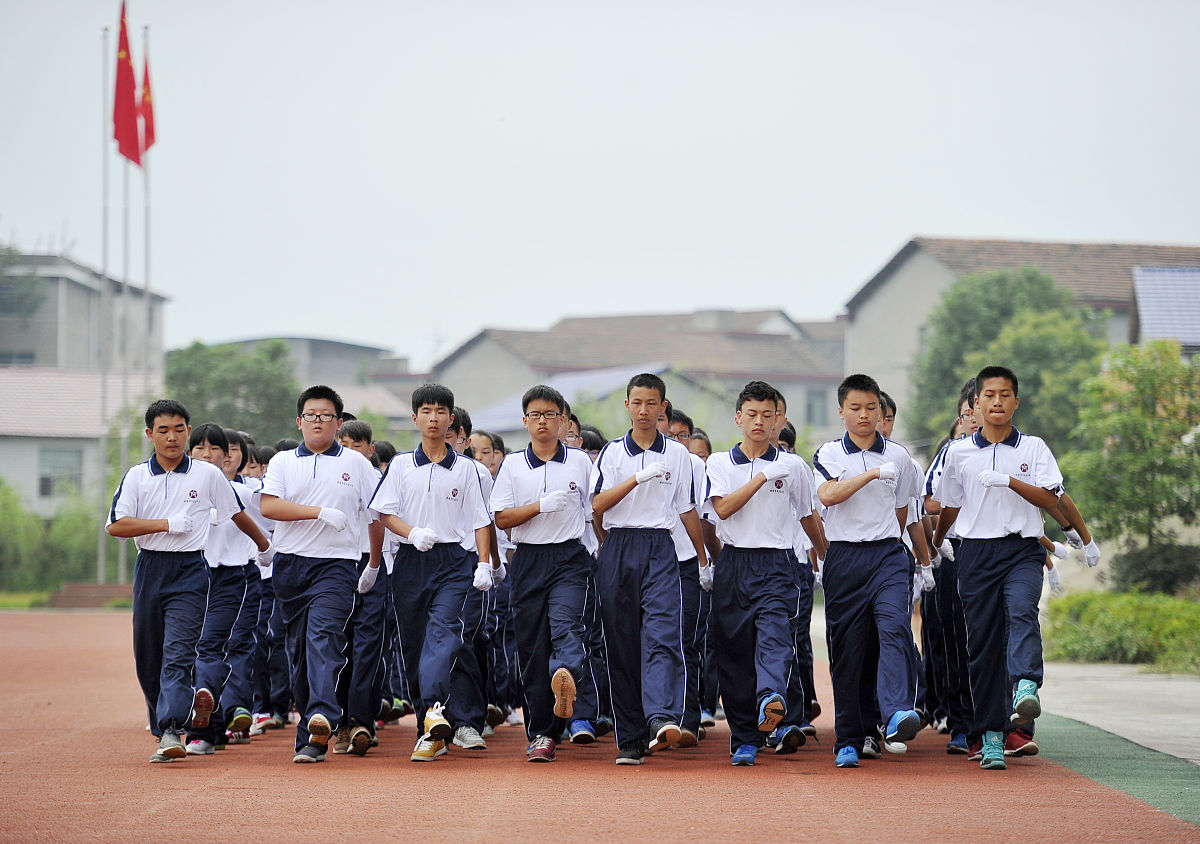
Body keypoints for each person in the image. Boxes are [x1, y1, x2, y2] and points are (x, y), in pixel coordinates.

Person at [931, 365, 1086, 771]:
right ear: (976, 403)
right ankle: (992, 736)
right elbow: (949, 504)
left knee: (1021, 612)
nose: (997, 402)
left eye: (1005, 395)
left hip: (1021, 550)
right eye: (989, 396)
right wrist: (936, 541)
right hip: (975, 554)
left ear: (1016, 401)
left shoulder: (1033, 448)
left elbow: (1051, 497)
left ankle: (1026, 686)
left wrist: (1009, 481)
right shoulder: (957, 452)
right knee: (981, 647)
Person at [107, 399, 265, 763]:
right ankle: (174, 711)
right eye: (163, 430)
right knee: (148, 657)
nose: (172, 437)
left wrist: (264, 545)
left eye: (179, 429)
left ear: (187, 431)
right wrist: (164, 524)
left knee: (178, 654)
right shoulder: (137, 476)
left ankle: (172, 727)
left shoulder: (207, 475)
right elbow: (117, 524)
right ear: (150, 434)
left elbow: (236, 514)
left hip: (191, 572)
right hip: (150, 568)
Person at [368, 384, 496, 762]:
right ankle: (430, 723)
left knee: (442, 637)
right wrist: (412, 532)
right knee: (413, 643)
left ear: (451, 419)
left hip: (453, 563)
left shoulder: (468, 469)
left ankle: (436, 711)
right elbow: (384, 512)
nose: (434, 418)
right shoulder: (401, 466)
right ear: (415, 418)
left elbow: (480, 519)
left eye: (441, 411)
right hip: (411, 561)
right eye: (426, 411)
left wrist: (485, 563)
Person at [259, 385, 384, 763]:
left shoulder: (357, 464)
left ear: (338, 422)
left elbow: (378, 514)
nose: (318, 421)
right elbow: (269, 506)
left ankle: (320, 721)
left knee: (323, 639)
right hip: (292, 564)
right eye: (311, 415)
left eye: (326, 415)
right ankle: (309, 729)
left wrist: (374, 564)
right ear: (299, 422)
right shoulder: (282, 461)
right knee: (297, 650)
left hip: (337, 565)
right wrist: (316, 512)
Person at [589, 373, 708, 765]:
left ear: (662, 408)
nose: (643, 410)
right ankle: (630, 739)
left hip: (660, 547)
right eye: (637, 402)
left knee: (662, 633)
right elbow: (597, 506)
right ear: (627, 405)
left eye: (651, 404)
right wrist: (635, 480)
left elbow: (687, 508)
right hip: (619, 545)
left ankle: (661, 716)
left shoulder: (677, 455)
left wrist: (703, 557)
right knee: (621, 644)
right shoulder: (611, 453)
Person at [813, 374, 930, 769]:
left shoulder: (900, 456)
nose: (864, 415)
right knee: (848, 651)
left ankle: (897, 711)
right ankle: (848, 737)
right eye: (856, 408)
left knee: (895, 626)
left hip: (887, 556)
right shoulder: (829, 453)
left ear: (882, 411)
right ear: (842, 411)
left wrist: (904, 551)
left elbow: (902, 511)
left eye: (872, 408)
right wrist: (870, 475)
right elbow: (828, 494)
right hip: (844, 557)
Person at [706, 381, 826, 766]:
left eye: (767, 415)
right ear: (739, 417)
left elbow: (808, 515)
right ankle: (744, 737)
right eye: (752, 414)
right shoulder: (719, 463)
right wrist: (761, 477)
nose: (759, 422)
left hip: (778, 565)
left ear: (779, 419)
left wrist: (826, 559)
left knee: (776, 636)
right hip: (734, 562)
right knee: (734, 653)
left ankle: (770, 698)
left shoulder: (793, 466)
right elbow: (722, 510)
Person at [491, 385, 595, 762]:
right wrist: (538, 506)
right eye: (535, 415)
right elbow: (501, 518)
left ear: (563, 420)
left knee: (566, 626)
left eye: (550, 414)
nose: (543, 421)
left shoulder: (581, 462)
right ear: (525, 421)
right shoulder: (514, 465)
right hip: (529, 558)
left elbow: (594, 509)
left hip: (569, 557)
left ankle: (565, 673)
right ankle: (542, 734)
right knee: (532, 648)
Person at [185, 425, 272, 755]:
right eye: (199, 449)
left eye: (218, 449)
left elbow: (277, 519)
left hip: (237, 578)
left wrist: (267, 550)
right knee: (191, 650)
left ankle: (214, 720)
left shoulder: (248, 494)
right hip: (190, 576)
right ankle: (215, 723)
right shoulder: (181, 487)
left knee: (223, 646)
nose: (208, 455)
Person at [331, 419, 388, 756]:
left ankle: (360, 720)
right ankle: (340, 720)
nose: (351, 453)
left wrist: (376, 564)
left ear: (371, 449)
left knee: (368, 646)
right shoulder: (330, 480)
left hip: (375, 568)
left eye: (358, 446)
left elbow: (384, 522)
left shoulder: (381, 482)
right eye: (345, 445)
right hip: (338, 566)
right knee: (339, 646)